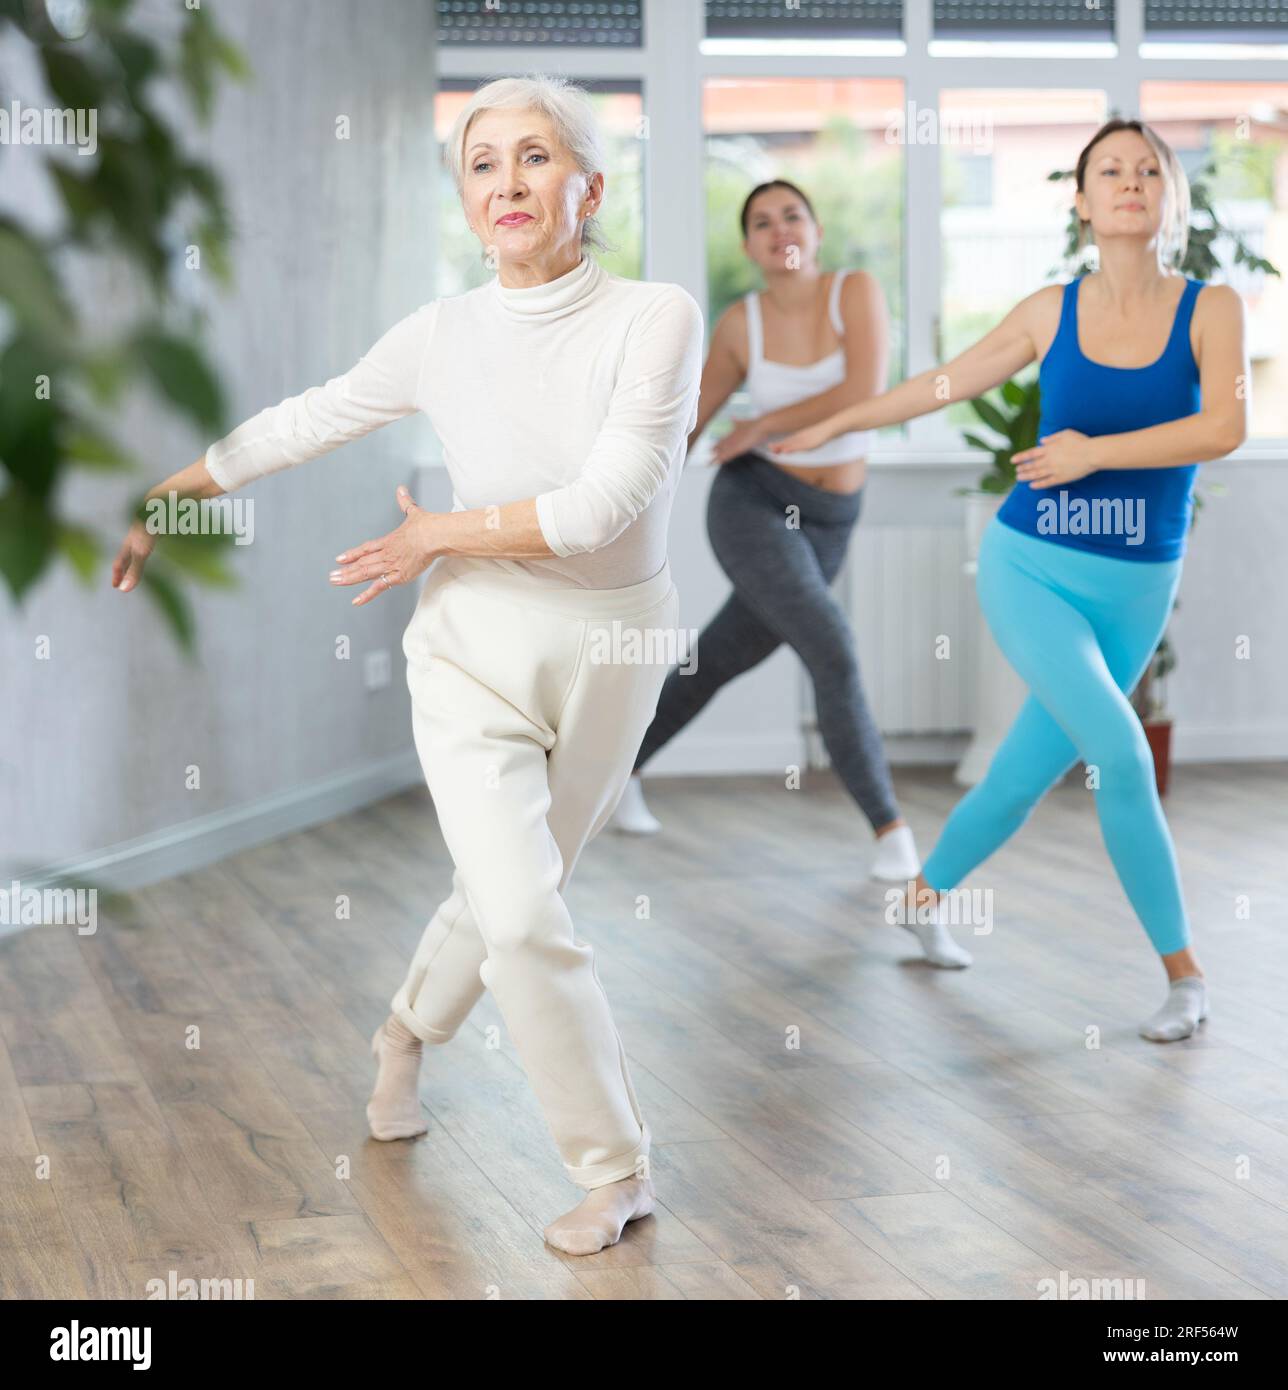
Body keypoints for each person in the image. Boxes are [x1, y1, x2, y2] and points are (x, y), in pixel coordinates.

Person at [110, 74, 704, 1252]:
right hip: (472, 644)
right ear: (466, 198)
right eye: (482, 164)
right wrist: (171, 493)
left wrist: (438, 532)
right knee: (522, 912)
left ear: (589, 187)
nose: (507, 182)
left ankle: (402, 1032)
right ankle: (614, 1168)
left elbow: (600, 508)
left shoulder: (656, 317)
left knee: (507, 896)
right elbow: (311, 416)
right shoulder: (441, 334)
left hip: (614, 645)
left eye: (535, 157)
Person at [771, 119, 1247, 1029]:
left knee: (1021, 774)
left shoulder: (1211, 309)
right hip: (1033, 565)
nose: (1130, 181)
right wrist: (837, 423)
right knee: (1120, 752)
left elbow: (1222, 429)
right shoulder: (1049, 311)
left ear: (1170, 195)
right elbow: (942, 385)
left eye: (1149, 170)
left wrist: (1092, 452)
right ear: (1083, 202)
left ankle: (920, 902)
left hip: (1139, 583)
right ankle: (1186, 978)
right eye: (1109, 170)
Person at [612, 179, 922, 886]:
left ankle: (615, 773)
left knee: (718, 657)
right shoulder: (740, 325)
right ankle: (891, 830)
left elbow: (865, 392)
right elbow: (688, 424)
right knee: (832, 649)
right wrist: (625, 506)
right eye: (762, 222)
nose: (780, 229)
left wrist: (761, 424)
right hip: (753, 506)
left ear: (815, 232)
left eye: (792, 216)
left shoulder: (855, 293)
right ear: (749, 247)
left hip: (832, 520)